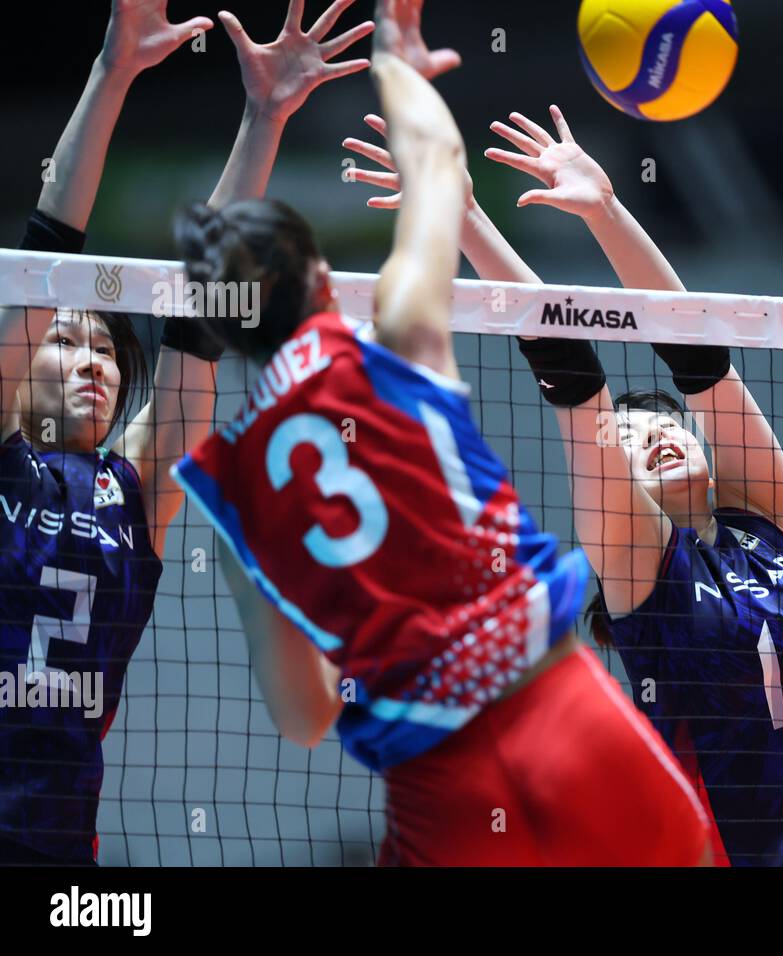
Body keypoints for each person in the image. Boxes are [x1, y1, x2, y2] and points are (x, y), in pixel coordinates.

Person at [172, 0, 710, 867]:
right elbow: (432, 169)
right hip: (560, 707)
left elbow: (307, 718)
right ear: (318, 274)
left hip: (438, 785)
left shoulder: (234, 497)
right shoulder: (399, 345)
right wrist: (398, 63)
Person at [345, 101, 783, 866]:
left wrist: (606, 208)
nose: (653, 434)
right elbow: (569, 369)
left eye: (662, 424)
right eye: (626, 439)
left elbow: (699, 355)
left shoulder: (771, 529)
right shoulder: (641, 575)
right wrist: (464, 222)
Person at [0, 0, 373, 866]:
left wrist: (264, 115)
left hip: (63, 857)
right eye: (67, 340)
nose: (95, 360)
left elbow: (203, 311)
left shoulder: (131, 492)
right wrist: (114, 70)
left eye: (106, 351)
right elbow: (46, 248)